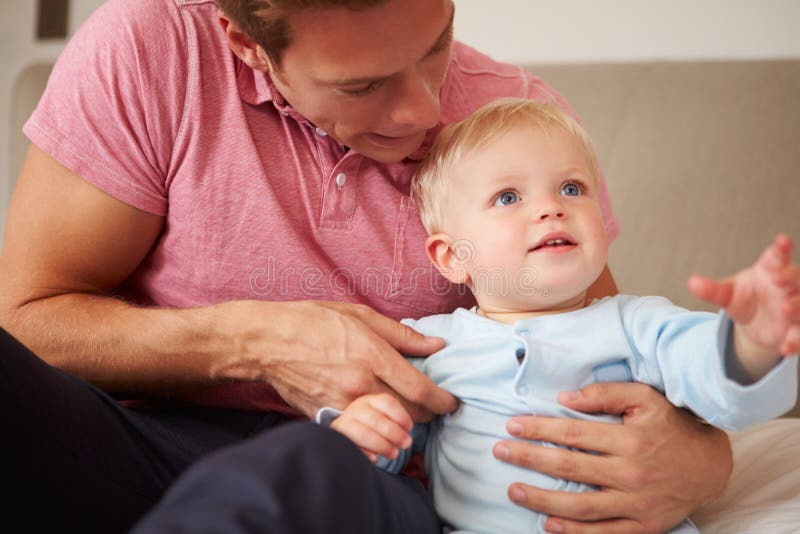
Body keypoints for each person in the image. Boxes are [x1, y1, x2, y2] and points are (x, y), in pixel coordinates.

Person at [0, 0, 732, 531]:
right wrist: (252, 341)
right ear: (247, 44)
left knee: (297, 468)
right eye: (361, 85)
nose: (422, 109)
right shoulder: (150, 51)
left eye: (437, 43)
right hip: (146, 442)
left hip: (370, 478)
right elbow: (26, 319)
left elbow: (598, 351)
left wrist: (705, 460)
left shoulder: (516, 123)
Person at [321, 99, 800, 533]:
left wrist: (754, 342)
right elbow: (386, 431)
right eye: (508, 197)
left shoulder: (635, 324)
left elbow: (712, 375)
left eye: (572, 188)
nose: (552, 208)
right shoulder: (431, 345)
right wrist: (364, 430)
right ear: (451, 256)